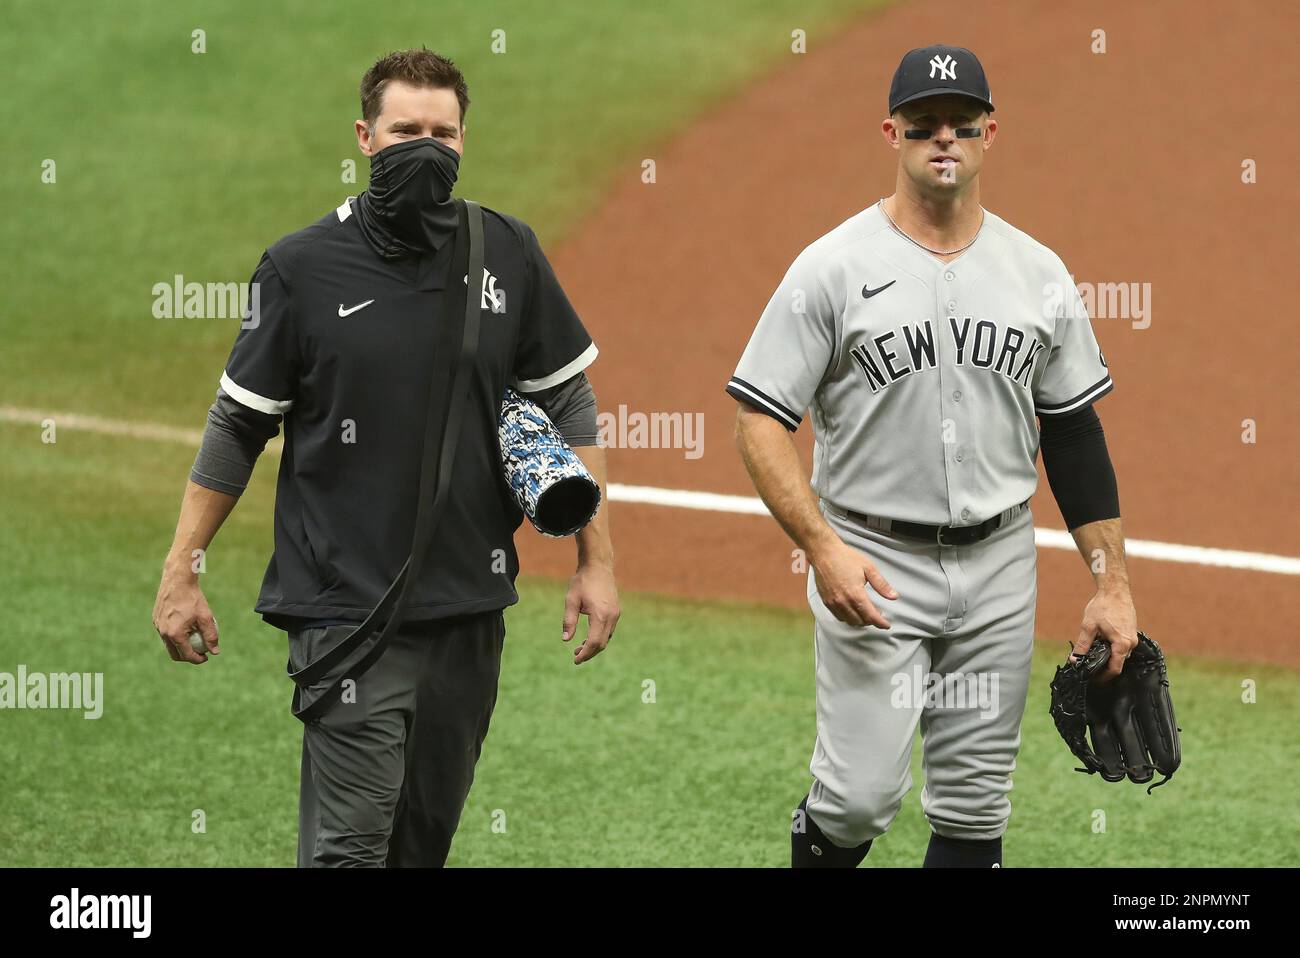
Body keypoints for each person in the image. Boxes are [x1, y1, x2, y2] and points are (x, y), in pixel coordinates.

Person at [152, 48, 621, 867]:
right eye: (406, 131)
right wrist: (181, 569)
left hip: (469, 612)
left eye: (444, 133)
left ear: (465, 142)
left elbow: (567, 398)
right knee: (349, 852)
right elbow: (238, 424)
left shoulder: (506, 251)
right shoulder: (298, 269)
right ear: (365, 137)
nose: (425, 148)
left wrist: (597, 558)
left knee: (418, 848)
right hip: (348, 614)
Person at [726, 44, 1138, 868]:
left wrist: (1111, 586)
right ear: (892, 133)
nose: (942, 139)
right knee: (856, 801)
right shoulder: (831, 269)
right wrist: (821, 549)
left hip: (998, 566)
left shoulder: (1038, 272)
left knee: (975, 807)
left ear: (991, 131)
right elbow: (759, 422)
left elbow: (1073, 431)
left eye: (959, 124)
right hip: (871, 563)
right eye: (923, 126)